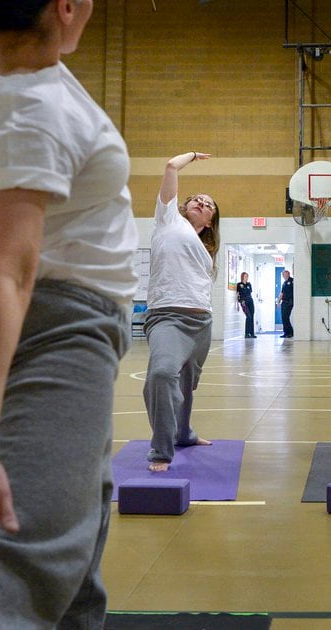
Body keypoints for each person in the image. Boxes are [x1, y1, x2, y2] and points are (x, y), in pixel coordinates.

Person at [0, 1, 138, 626]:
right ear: (66, 8)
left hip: (68, 323)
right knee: (18, 560)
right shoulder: (31, 115)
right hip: (67, 329)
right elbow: (9, 277)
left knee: (80, 562)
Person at [142, 151, 219, 473]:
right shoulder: (168, 219)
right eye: (197, 200)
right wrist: (189, 157)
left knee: (187, 386)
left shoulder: (206, 250)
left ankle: (185, 434)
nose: (201, 203)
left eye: (209, 204)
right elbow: (170, 167)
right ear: (184, 207)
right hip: (167, 318)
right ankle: (161, 450)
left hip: (201, 321)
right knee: (161, 376)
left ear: (211, 220)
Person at [236, 271, 256, 338]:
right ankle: (247, 333)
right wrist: (238, 303)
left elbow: (250, 292)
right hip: (243, 302)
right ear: (242, 277)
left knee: (252, 316)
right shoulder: (239, 285)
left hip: (250, 301)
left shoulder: (249, 284)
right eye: (245, 276)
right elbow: (237, 294)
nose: (246, 278)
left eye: (247, 276)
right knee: (248, 316)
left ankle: (252, 333)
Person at [278, 269, 295, 337]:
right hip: (284, 302)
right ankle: (286, 332)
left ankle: (290, 332)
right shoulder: (284, 283)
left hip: (289, 301)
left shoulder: (292, 281)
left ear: (288, 274)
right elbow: (282, 293)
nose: (283, 276)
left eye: (284, 274)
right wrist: (278, 301)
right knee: (284, 317)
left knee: (286, 317)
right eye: (282, 274)